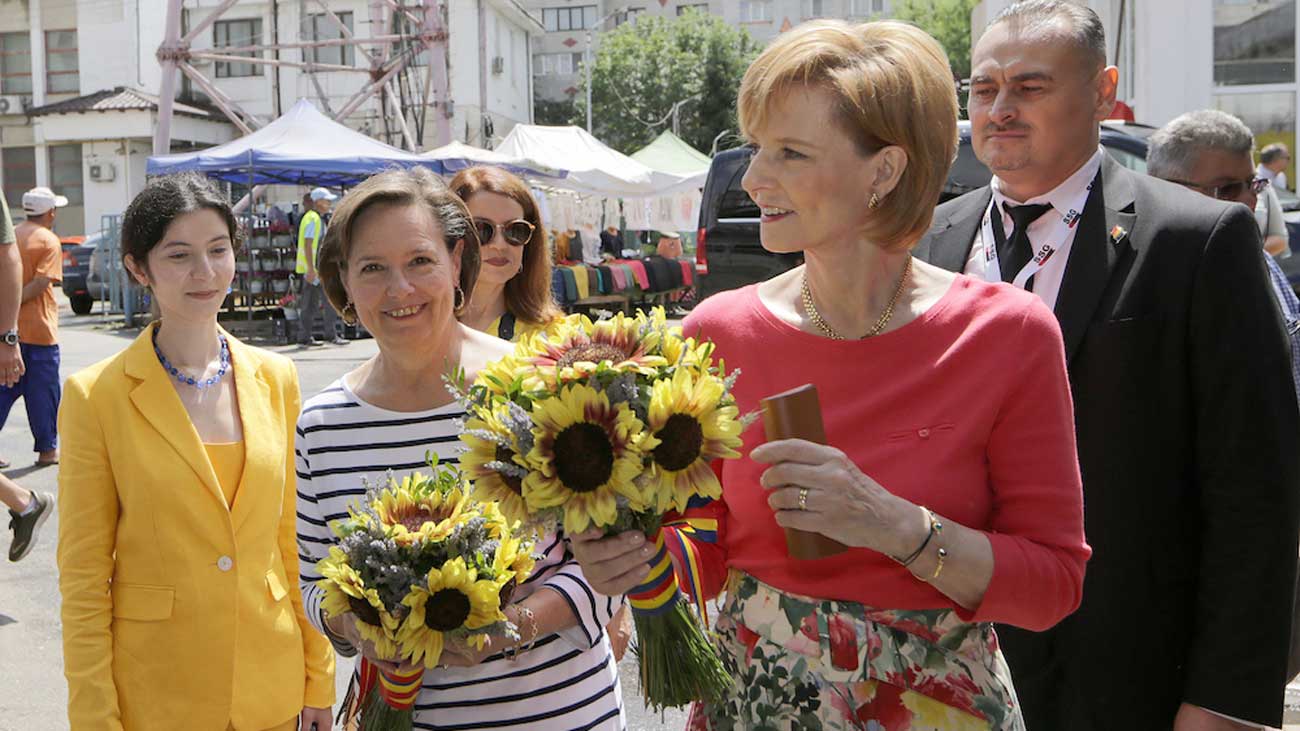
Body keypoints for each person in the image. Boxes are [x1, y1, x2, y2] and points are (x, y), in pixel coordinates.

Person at [572, 19, 1089, 730]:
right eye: (757, 148)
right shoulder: (715, 333)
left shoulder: (1008, 334)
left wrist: (892, 524)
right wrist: (634, 562)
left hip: (934, 709)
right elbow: (707, 552)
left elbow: (1053, 585)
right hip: (754, 702)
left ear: (885, 170)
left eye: (789, 152)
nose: (753, 178)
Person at [913, 3, 1300, 729]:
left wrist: (1226, 701)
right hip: (946, 668)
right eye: (984, 88)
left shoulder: (1198, 241)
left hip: (1130, 677)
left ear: (1102, 91)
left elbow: (1257, 491)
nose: (1000, 109)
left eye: (1029, 87)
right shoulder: (928, 241)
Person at [295, 168, 626, 730]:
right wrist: (358, 626)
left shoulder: (535, 385)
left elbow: (608, 566)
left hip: (561, 717)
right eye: (372, 268)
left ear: (456, 260)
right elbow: (313, 584)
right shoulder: (321, 424)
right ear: (344, 283)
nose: (399, 289)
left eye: (420, 261)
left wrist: (510, 628)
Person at [56, 173, 334, 730]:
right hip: (158, 696)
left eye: (217, 250)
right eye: (179, 255)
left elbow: (295, 543)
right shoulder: (96, 396)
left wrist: (318, 678)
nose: (204, 273)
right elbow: (85, 580)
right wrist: (94, 718)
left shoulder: (277, 377)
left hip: (271, 687)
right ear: (139, 268)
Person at [1147, 110, 1300, 400]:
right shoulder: (1147, 278)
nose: (1248, 201)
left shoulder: (1260, 260)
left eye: (1253, 185)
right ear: (1166, 188)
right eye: (1227, 189)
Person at [450, 166, 564, 340]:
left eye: (516, 230)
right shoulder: (417, 325)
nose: (499, 244)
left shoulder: (553, 337)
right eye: (481, 229)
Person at [0, 190, 53, 562]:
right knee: (43, 400)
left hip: (19, 337)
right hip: (34, 336)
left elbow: (10, 261)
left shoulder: (20, 234)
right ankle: (24, 501)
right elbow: (41, 280)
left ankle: (24, 503)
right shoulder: (47, 239)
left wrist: (8, 333)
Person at [1, 187, 66, 469]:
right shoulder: (48, 240)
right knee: (44, 394)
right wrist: (14, 301)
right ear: (50, 212)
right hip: (40, 332)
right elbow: (42, 283)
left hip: (7, 332)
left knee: (3, 391)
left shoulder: (11, 234)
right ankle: (47, 450)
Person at [295, 186, 345, 346]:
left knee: (314, 303)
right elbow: (308, 244)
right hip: (314, 270)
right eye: (327, 200)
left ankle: (309, 336)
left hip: (315, 269)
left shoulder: (314, 218)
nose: (329, 203)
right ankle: (324, 335)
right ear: (318, 202)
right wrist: (311, 269)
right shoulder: (313, 219)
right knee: (319, 302)